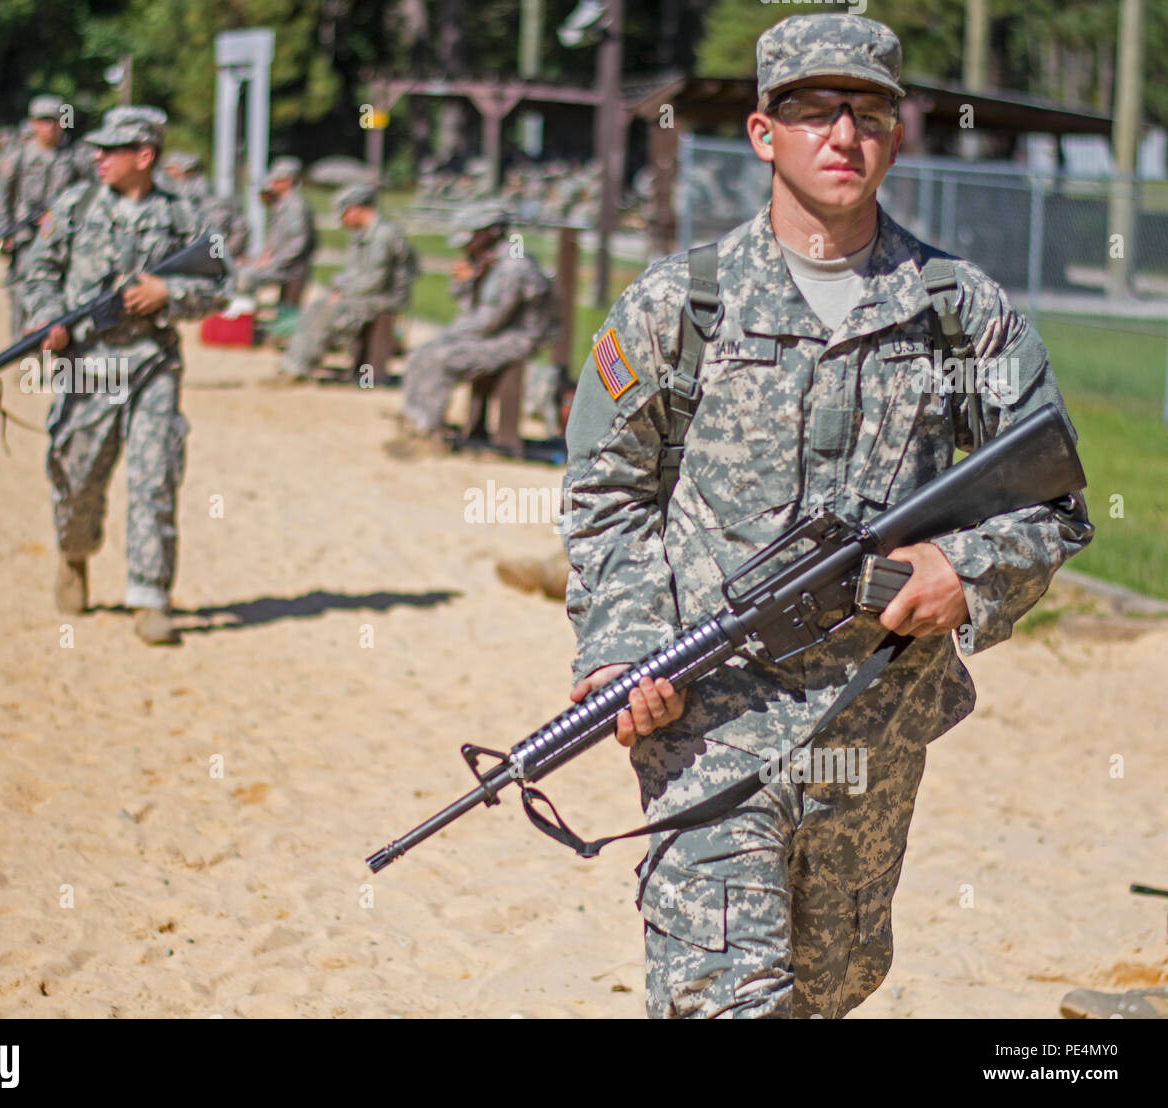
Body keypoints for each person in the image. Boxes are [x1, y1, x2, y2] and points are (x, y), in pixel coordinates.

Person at [559, 13, 1093, 1019]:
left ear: (896, 136)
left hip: (870, 727)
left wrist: (962, 572)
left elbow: (1053, 503)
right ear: (764, 134)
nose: (841, 135)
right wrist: (622, 647)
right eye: (812, 112)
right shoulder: (682, 305)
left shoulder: (957, 312)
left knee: (830, 983)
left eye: (868, 112)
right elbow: (606, 491)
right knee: (724, 998)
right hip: (708, 717)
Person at [20, 106, 231, 645]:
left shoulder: (184, 215)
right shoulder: (75, 204)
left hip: (152, 364)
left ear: (144, 156)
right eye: (96, 148)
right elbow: (37, 272)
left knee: (154, 476)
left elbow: (221, 286)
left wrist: (169, 295)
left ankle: (149, 593)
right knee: (79, 475)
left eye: (110, 149)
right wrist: (47, 320)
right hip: (90, 367)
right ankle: (74, 555)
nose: (97, 156)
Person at [385, 201, 553, 459]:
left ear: (493, 232)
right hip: (493, 333)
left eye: (470, 237)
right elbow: (469, 309)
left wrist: (447, 338)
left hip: (516, 339)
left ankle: (428, 431)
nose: (465, 245)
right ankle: (415, 419)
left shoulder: (512, 266)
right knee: (421, 354)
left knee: (441, 358)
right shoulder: (486, 259)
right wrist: (464, 282)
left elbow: (488, 321)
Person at [274, 182, 416, 383]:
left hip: (384, 298)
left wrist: (343, 293)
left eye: (344, 212)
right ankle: (294, 364)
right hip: (368, 294)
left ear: (358, 209)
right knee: (316, 308)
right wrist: (338, 287)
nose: (342, 219)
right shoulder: (363, 234)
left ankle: (300, 367)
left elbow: (375, 280)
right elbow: (353, 272)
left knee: (327, 312)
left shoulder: (383, 235)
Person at [0, 94, 93, 336]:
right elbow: (3, 198)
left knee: (58, 292)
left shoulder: (75, 157)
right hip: (26, 237)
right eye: (42, 121)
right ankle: (21, 350)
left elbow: (91, 194)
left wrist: (70, 218)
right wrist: (3, 232)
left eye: (54, 121)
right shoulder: (19, 156)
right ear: (33, 123)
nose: (48, 128)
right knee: (20, 293)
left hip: (62, 238)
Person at [236, 156, 315, 307]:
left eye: (276, 180)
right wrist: (265, 254)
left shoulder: (295, 207)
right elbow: (277, 238)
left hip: (292, 268)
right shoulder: (282, 204)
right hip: (282, 263)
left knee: (247, 279)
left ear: (288, 180)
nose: (272, 184)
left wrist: (272, 262)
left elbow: (297, 244)